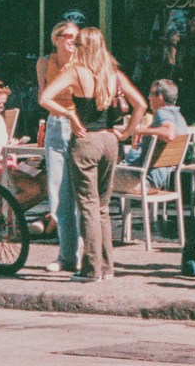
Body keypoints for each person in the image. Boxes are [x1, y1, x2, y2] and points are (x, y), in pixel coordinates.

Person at [39, 26, 145, 282]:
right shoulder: (114, 74)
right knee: (102, 207)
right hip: (110, 140)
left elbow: (45, 98)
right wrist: (127, 131)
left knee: (87, 204)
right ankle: (107, 266)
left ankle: (91, 268)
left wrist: (70, 114)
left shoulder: (76, 72)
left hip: (86, 139)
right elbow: (140, 104)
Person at [35, 19, 82, 275]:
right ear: (55, 38)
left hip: (79, 125)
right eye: (66, 35)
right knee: (58, 193)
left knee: (81, 195)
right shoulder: (45, 63)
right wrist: (63, 113)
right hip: (56, 124)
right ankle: (66, 255)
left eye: (75, 36)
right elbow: (43, 98)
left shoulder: (84, 63)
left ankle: (83, 255)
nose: (71, 40)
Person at [128, 78, 193, 190]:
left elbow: (170, 134)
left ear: (160, 97)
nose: (148, 97)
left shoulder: (162, 112)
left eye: (151, 94)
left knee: (100, 176)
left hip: (142, 179)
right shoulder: (179, 117)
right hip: (157, 178)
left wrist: (140, 130)